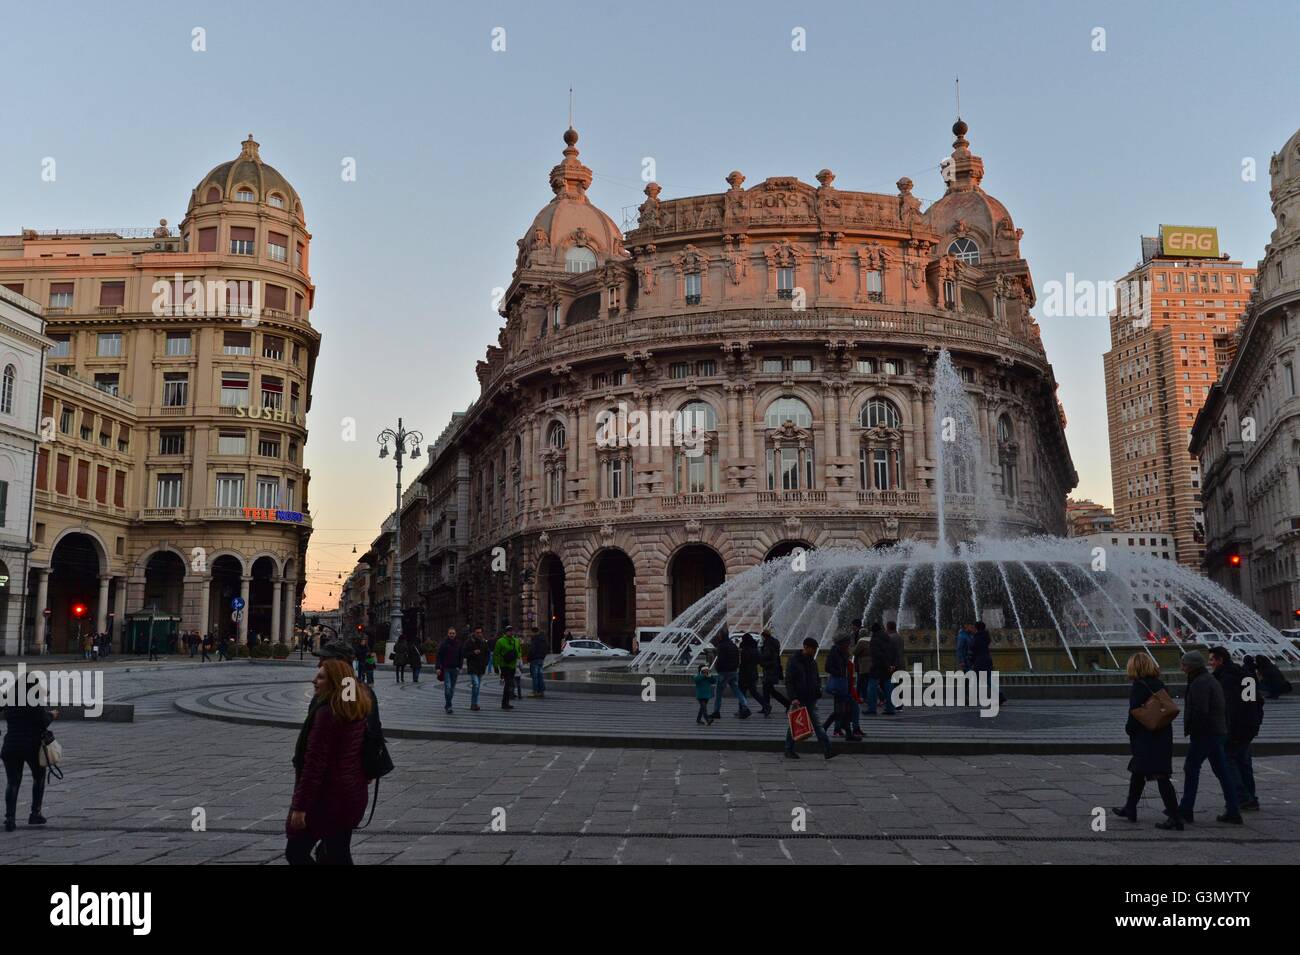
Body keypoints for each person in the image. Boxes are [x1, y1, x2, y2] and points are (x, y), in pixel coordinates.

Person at [285, 644, 372, 865]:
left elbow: (314, 764)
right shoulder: (358, 704)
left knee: (297, 852)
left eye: (322, 675)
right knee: (337, 853)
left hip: (326, 797)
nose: (315, 680)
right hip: (351, 793)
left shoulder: (327, 712)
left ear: (334, 682)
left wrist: (300, 807)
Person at [1113, 653, 1182, 831]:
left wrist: (1129, 729)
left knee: (1160, 775)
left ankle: (1175, 817)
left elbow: (1135, 713)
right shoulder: (1158, 683)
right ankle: (1130, 808)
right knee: (1138, 771)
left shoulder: (1139, 686)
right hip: (1162, 733)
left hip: (1147, 737)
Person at [1176, 650, 1241, 824]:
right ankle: (1233, 810)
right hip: (1216, 732)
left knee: (1191, 768)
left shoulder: (1200, 683)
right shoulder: (1207, 679)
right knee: (1222, 770)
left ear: (1192, 666)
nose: (1182, 668)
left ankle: (1186, 809)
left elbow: (1200, 711)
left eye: (1184, 665)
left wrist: (1195, 731)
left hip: (1206, 733)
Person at [1210, 646, 1263, 812]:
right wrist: (1256, 721)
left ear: (1220, 660)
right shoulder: (1245, 674)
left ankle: (1242, 797)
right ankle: (1251, 797)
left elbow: (1231, 707)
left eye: (1212, 659)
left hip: (1236, 727)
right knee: (1244, 762)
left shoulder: (1227, 678)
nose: (1210, 663)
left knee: (1229, 761)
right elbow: (1258, 701)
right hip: (1249, 726)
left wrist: (1229, 730)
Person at [3, 675, 54, 832]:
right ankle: (35, 813)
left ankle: (10, 818)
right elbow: (43, 720)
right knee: (38, 778)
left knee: (12, 782)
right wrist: (52, 714)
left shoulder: (9, 700)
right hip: (32, 746)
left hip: (10, 746)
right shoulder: (34, 702)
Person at [784, 638, 835, 760]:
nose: (814, 651)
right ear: (806, 647)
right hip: (799, 698)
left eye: (815, 649)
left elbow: (815, 678)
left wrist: (818, 690)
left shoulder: (812, 661)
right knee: (797, 724)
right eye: (813, 649)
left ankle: (828, 750)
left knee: (814, 725)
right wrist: (793, 698)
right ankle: (789, 749)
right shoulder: (794, 661)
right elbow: (789, 681)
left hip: (811, 697)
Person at [708, 629, 750, 720]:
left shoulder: (721, 646)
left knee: (718, 692)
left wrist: (718, 669)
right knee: (736, 690)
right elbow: (737, 659)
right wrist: (734, 668)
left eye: (719, 634)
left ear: (722, 635)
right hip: (733, 672)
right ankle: (745, 706)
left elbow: (720, 660)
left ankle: (716, 712)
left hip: (724, 672)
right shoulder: (733, 645)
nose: (718, 636)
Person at [822, 633, 859, 739]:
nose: (849, 644)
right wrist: (839, 672)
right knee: (842, 710)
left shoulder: (844, 652)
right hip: (838, 685)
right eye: (848, 642)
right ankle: (847, 733)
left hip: (844, 684)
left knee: (844, 709)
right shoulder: (834, 652)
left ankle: (827, 728)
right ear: (842, 642)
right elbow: (827, 667)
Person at [864, 622, 896, 715]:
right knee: (888, 686)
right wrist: (891, 664)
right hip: (888, 665)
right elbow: (893, 652)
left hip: (878, 666)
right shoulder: (888, 638)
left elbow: (877, 654)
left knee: (872, 686)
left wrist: (883, 664)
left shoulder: (875, 639)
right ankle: (890, 708)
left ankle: (872, 708)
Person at [757, 630, 789, 715]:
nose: (762, 639)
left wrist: (760, 658)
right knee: (768, 689)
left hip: (770, 670)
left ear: (764, 636)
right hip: (773, 669)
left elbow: (767, 656)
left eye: (762, 637)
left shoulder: (768, 644)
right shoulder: (773, 643)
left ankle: (786, 704)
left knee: (769, 689)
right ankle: (766, 707)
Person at [493, 626, 523, 710]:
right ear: (505, 632)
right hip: (504, 666)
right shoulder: (500, 641)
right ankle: (505, 703)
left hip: (513, 666)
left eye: (512, 631)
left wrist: (518, 656)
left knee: (509, 684)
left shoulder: (516, 641)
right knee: (508, 684)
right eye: (509, 631)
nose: (511, 632)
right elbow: (496, 654)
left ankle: (506, 702)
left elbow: (519, 650)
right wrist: (496, 666)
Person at [436, 628, 464, 713]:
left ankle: (448, 704)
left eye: (453, 633)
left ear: (455, 634)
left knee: (452, 688)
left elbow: (461, 656)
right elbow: (439, 656)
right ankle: (449, 705)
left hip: (455, 668)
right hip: (446, 668)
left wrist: (460, 666)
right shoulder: (444, 644)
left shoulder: (459, 643)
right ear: (448, 634)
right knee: (448, 687)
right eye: (450, 633)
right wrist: (438, 668)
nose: (452, 634)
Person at [464, 626, 488, 711]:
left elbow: (487, 653)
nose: (479, 634)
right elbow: (464, 653)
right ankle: (474, 704)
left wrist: (485, 663)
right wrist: (473, 653)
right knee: (476, 684)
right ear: (474, 633)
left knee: (477, 687)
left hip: (481, 667)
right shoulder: (469, 642)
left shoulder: (484, 642)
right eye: (477, 632)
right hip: (473, 667)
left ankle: (474, 704)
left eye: (480, 632)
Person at [737, 633, 762, 713]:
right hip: (753, 673)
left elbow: (744, 663)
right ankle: (766, 705)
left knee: (742, 692)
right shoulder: (755, 649)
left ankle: (742, 709)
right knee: (753, 692)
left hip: (745, 674)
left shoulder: (745, 650)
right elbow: (759, 660)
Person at [528, 627, 548, 698]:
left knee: (535, 676)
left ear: (533, 632)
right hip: (541, 659)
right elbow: (546, 648)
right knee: (540, 675)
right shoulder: (543, 639)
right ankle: (541, 691)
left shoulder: (534, 639)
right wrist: (543, 656)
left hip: (534, 659)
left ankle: (535, 691)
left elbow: (532, 649)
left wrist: (529, 658)